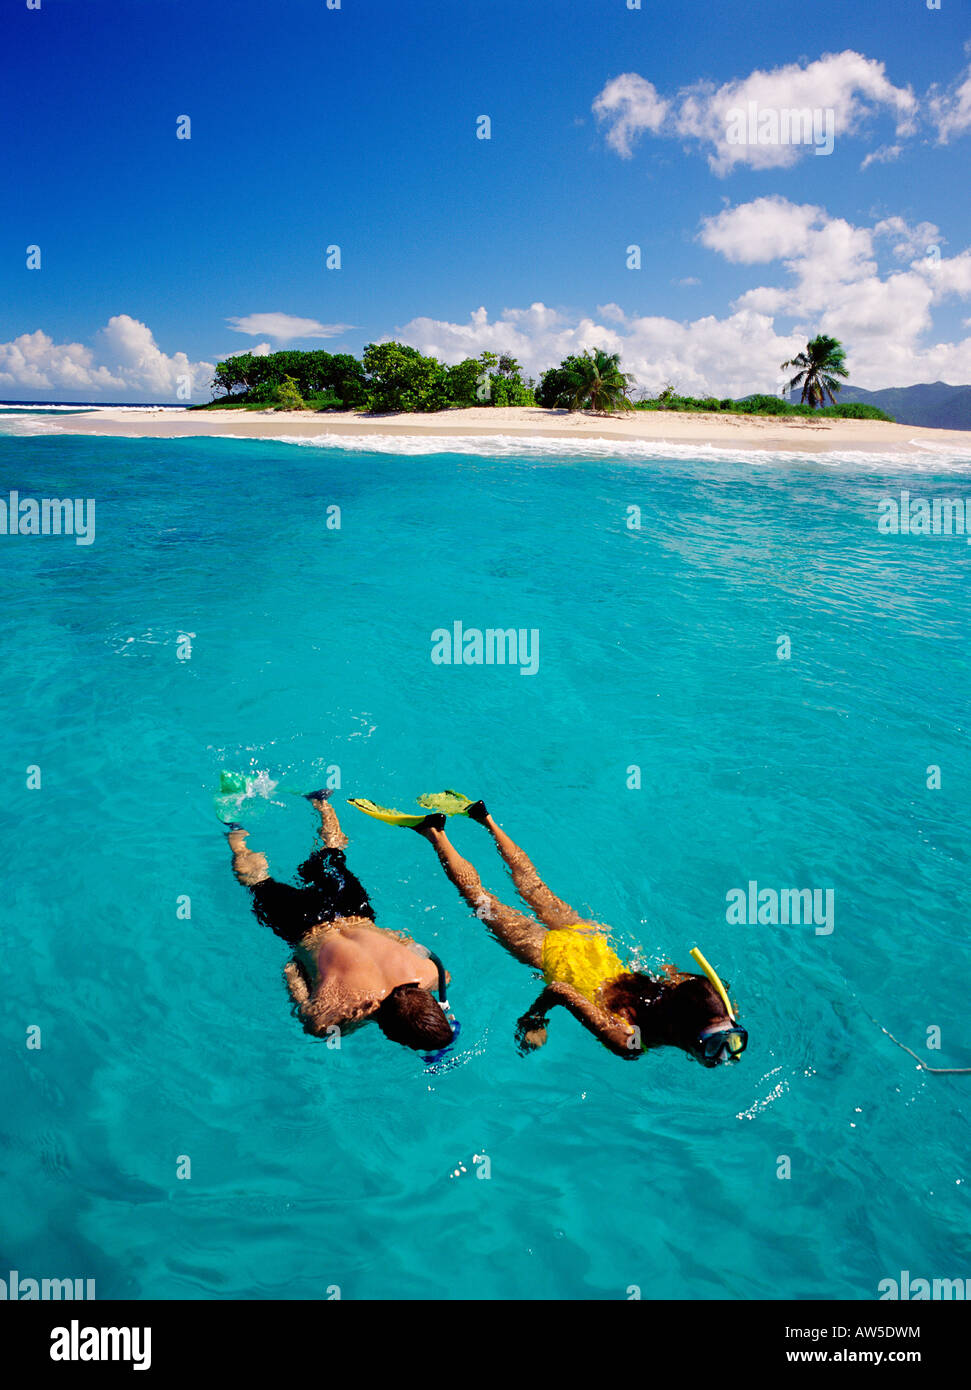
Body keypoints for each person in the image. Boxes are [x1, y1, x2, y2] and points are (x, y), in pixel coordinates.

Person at [352, 791, 747, 1065]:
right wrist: (534, 1020)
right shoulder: (631, 1041)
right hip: (552, 954)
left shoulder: (698, 996)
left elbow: (678, 979)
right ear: (684, 1030)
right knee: (482, 902)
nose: (723, 1055)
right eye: (716, 1046)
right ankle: (433, 831)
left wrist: (722, 1013)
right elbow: (558, 989)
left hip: (591, 939)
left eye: (727, 1044)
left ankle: (483, 816)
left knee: (532, 883)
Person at [226, 790, 455, 1054]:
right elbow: (291, 973)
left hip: (352, 907)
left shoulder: (433, 974)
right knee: (258, 881)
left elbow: (404, 940)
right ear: (393, 1035)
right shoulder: (330, 1016)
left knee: (332, 851)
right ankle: (235, 829)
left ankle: (321, 801)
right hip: (303, 924)